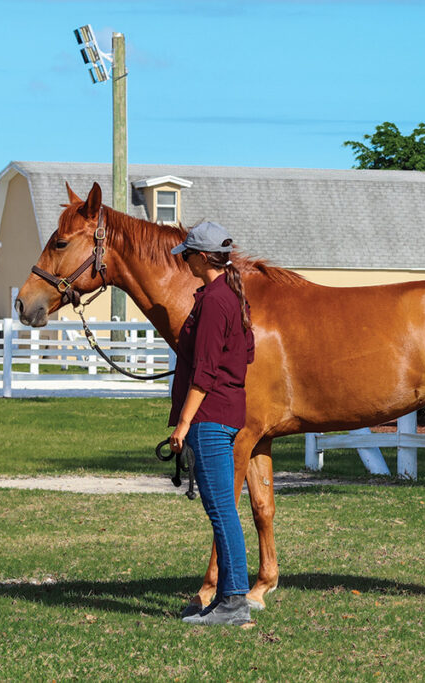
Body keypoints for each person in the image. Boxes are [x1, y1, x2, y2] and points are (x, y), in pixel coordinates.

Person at [168, 221, 255, 627]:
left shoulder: (215, 301)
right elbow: (244, 355)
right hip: (228, 411)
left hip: (210, 417)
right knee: (224, 510)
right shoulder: (231, 296)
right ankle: (226, 598)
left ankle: (234, 603)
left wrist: (183, 425)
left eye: (187, 254)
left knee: (221, 511)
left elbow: (205, 371)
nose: (183, 260)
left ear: (202, 258)